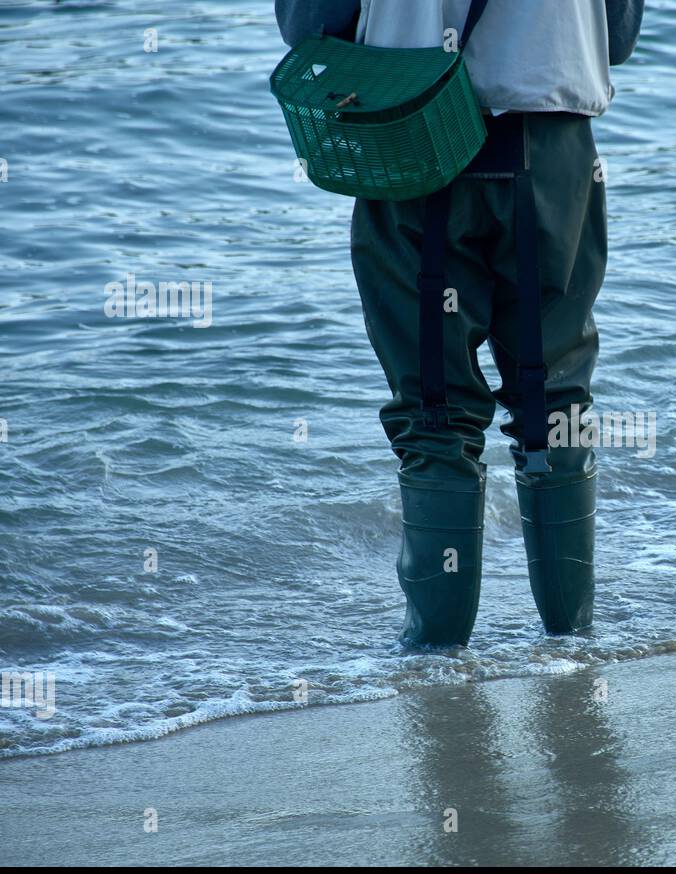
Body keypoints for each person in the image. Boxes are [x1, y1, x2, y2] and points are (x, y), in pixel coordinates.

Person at [274, 0, 644, 647]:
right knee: (553, 398)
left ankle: (436, 661)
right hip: (553, 148)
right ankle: (572, 649)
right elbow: (617, 36)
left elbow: (313, 27)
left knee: (433, 412)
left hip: (411, 139)